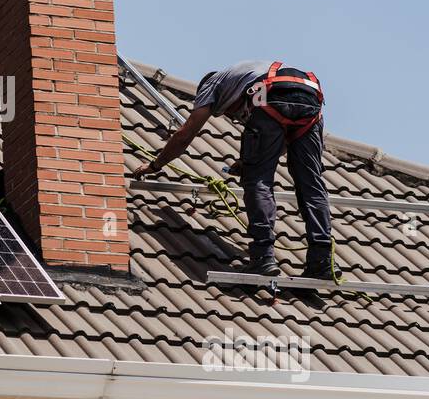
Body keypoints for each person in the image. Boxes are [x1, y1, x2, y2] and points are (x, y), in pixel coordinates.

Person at [134, 60, 334, 280]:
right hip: (310, 97)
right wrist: (247, 159)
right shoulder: (242, 77)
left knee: (257, 180)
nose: (232, 118)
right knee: (311, 184)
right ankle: (321, 261)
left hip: (269, 93)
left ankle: (263, 257)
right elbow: (283, 141)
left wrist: (156, 164)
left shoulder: (211, 85)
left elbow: (185, 134)